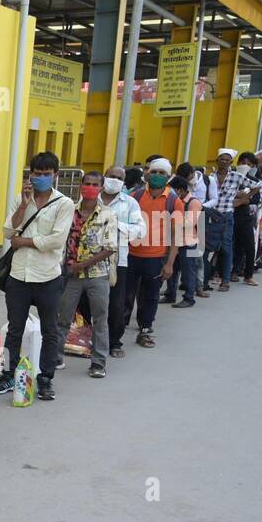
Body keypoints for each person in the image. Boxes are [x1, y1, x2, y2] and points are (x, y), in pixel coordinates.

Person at [0, 151, 73, 401]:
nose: (41, 178)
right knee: (15, 329)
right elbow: (6, 231)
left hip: (47, 276)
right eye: (37, 174)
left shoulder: (64, 204)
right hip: (19, 276)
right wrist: (24, 206)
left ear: (55, 175)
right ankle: (8, 375)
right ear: (30, 175)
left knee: (50, 329)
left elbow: (56, 240)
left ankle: (45, 379)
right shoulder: (21, 200)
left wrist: (23, 241)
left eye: (47, 174)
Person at [57, 170, 117, 378]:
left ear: (101, 188)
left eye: (95, 184)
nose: (90, 187)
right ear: (81, 186)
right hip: (70, 275)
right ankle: (55, 357)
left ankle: (98, 363)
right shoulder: (69, 211)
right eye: (87, 183)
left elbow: (110, 247)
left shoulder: (107, 214)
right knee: (63, 317)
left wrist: (82, 265)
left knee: (100, 319)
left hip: (97, 275)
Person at [126, 156, 181, 348]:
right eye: (154, 172)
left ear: (168, 176)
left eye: (162, 173)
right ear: (148, 174)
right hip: (130, 255)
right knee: (124, 295)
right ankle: (117, 330)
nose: (157, 176)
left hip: (156, 258)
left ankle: (145, 329)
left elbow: (176, 236)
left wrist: (169, 264)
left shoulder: (174, 202)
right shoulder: (135, 197)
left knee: (150, 297)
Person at [99, 163, 146, 359]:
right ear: (104, 176)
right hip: (88, 259)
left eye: (119, 178)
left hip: (117, 260)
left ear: (124, 182)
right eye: (111, 176)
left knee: (115, 304)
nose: (114, 180)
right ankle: (87, 340)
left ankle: (114, 342)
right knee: (86, 301)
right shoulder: (91, 198)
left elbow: (140, 231)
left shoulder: (129, 203)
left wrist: (115, 224)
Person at [203, 148, 242, 293]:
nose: (224, 162)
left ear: (231, 162)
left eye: (227, 160)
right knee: (206, 249)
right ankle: (204, 281)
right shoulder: (210, 177)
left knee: (225, 248)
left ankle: (225, 281)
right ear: (217, 160)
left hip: (226, 216)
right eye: (221, 159)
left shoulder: (236, 177)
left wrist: (242, 199)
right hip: (210, 214)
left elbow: (258, 186)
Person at [165, 174, 202, 307]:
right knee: (172, 269)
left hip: (189, 242)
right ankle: (170, 294)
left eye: (172, 190)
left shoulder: (194, 202)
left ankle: (189, 298)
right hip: (175, 241)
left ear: (179, 190)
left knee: (188, 271)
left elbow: (190, 223)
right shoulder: (174, 201)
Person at [228, 151, 261, 287]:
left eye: (249, 164)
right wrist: (242, 198)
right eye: (243, 163)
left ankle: (248, 275)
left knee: (249, 246)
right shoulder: (230, 178)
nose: (245, 166)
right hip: (229, 215)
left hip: (245, 216)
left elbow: (256, 198)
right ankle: (227, 272)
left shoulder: (253, 181)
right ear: (238, 163)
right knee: (229, 246)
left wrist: (241, 201)